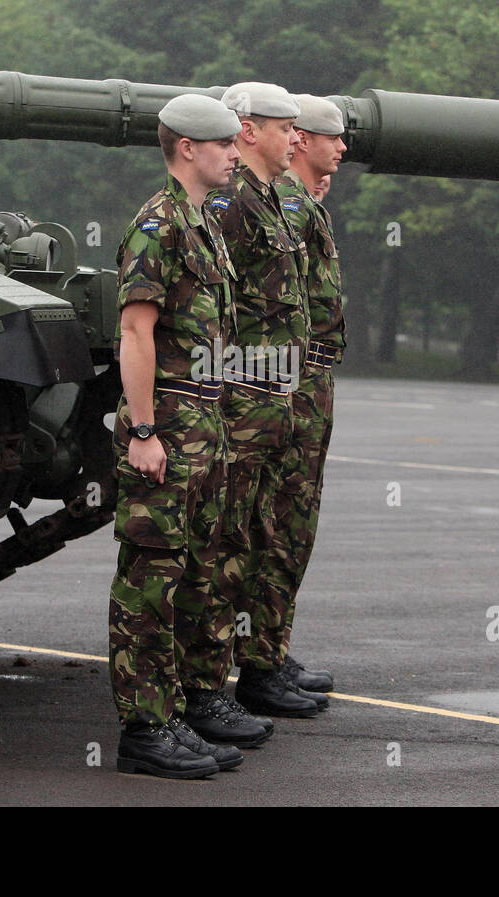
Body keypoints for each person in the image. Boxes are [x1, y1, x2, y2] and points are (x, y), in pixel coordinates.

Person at [108, 93, 264, 779]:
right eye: (225, 144)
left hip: (205, 429)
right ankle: (144, 728)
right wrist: (143, 428)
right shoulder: (159, 224)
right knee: (152, 575)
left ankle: (179, 707)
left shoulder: (202, 224)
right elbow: (136, 331)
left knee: (197, 573)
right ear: (187, 149)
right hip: (166, 428)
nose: (236, 153)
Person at [189, 81, 326, 719]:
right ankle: (208, 689)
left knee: (265, 536)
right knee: (224, 547)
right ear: (249, 130)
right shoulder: (233, 203)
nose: (295, 138)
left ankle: (254, 667)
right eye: (285, 127)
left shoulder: (268, 198)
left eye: (300, 128)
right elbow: (213, 309)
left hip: (278, 399)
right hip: (242, 403)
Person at [255, 94, 347, 695]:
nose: (340, 149)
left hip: (308, 379)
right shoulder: (286, 202)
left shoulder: (302, 203)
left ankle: (271, 647)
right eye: (329, 137)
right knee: (278, 524)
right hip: (292, 380)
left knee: (292, 524)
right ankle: (261, 660)